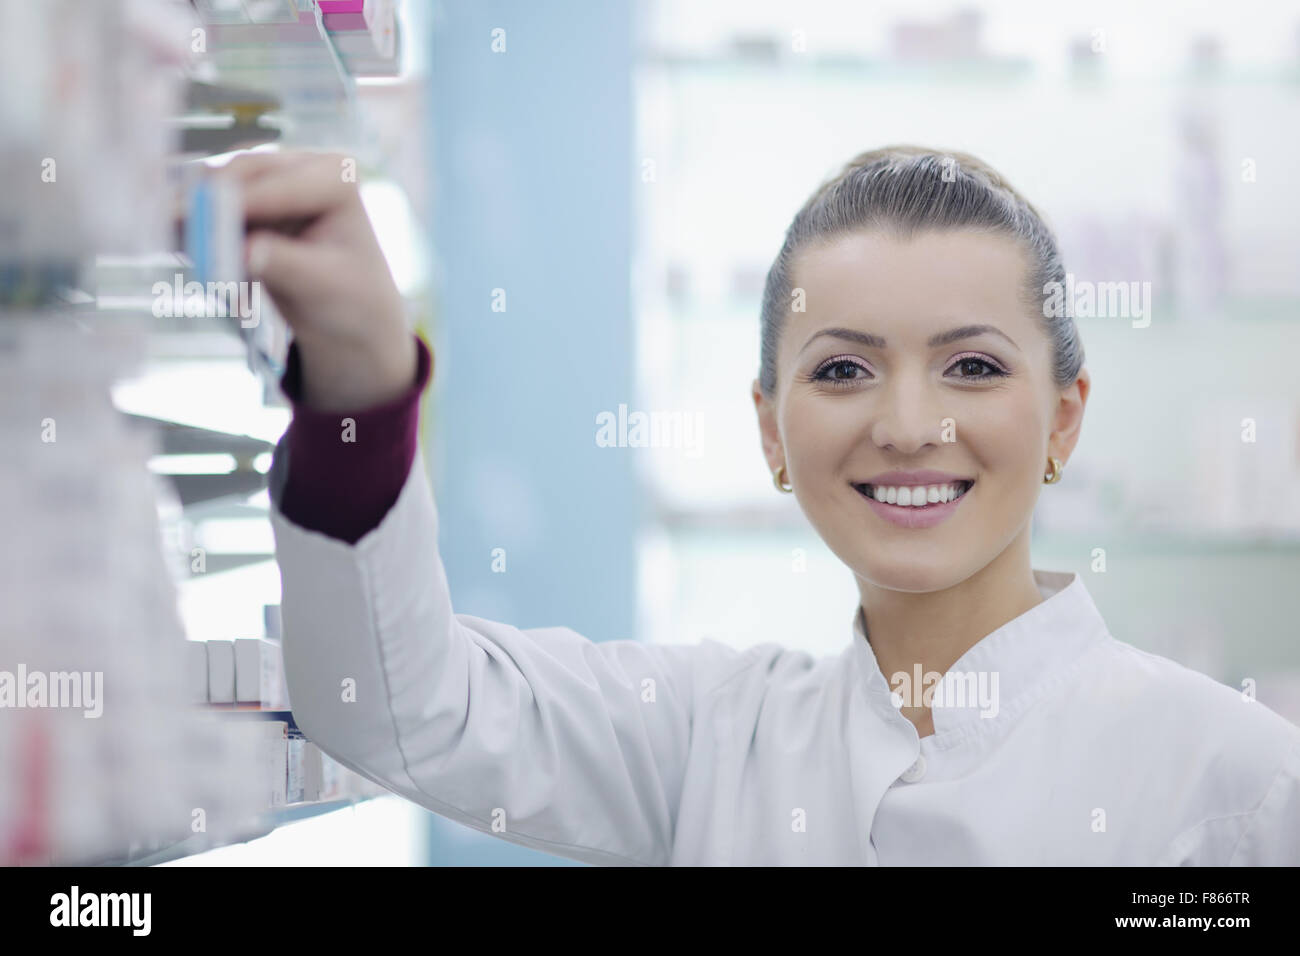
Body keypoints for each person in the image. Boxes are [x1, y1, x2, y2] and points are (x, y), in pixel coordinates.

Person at [232, 146, 1300, 866]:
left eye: (972, 365)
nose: (907, 422)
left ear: (1064, 419)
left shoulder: (1241, 780)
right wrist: (360, 389)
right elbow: (394, 704)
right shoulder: (707, 736)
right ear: (767, 428)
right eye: (842, 371)